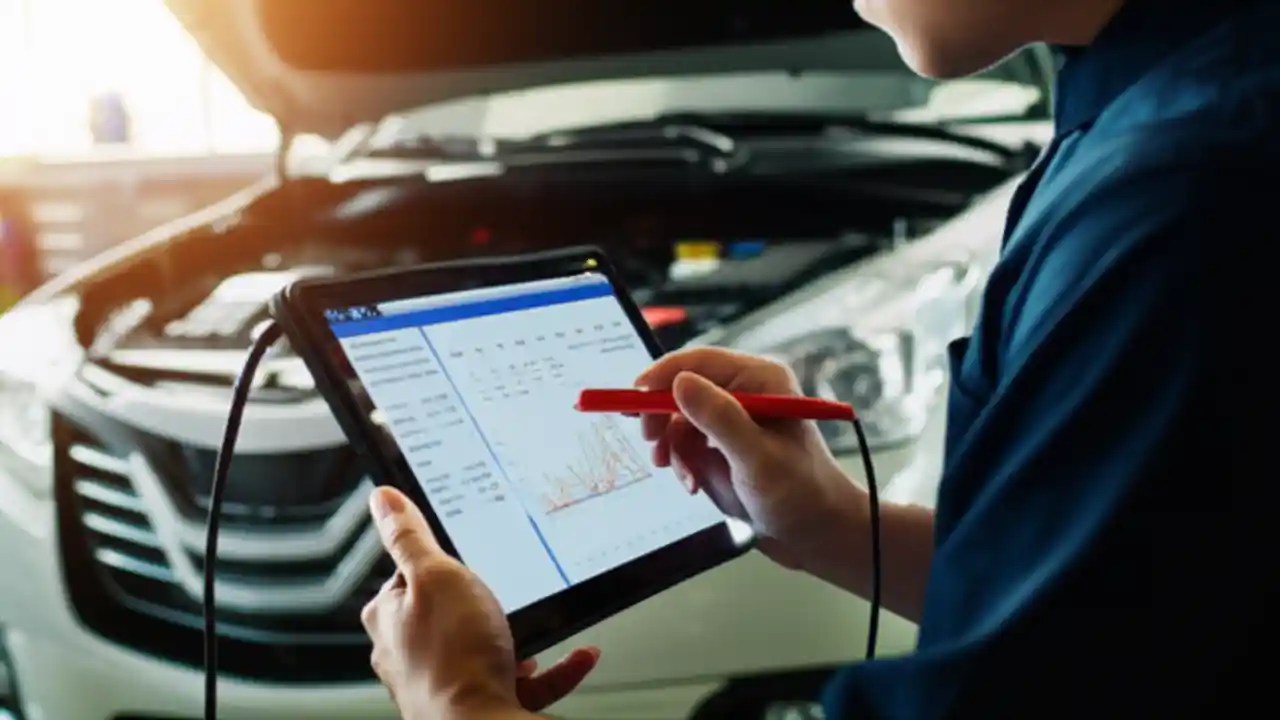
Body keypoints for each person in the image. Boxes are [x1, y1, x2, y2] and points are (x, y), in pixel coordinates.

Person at [360, 0, 1279, 717]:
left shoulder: (1187, 194)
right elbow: (1132, 598)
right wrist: (838, 526)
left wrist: (461, 704)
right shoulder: (1157, 102)